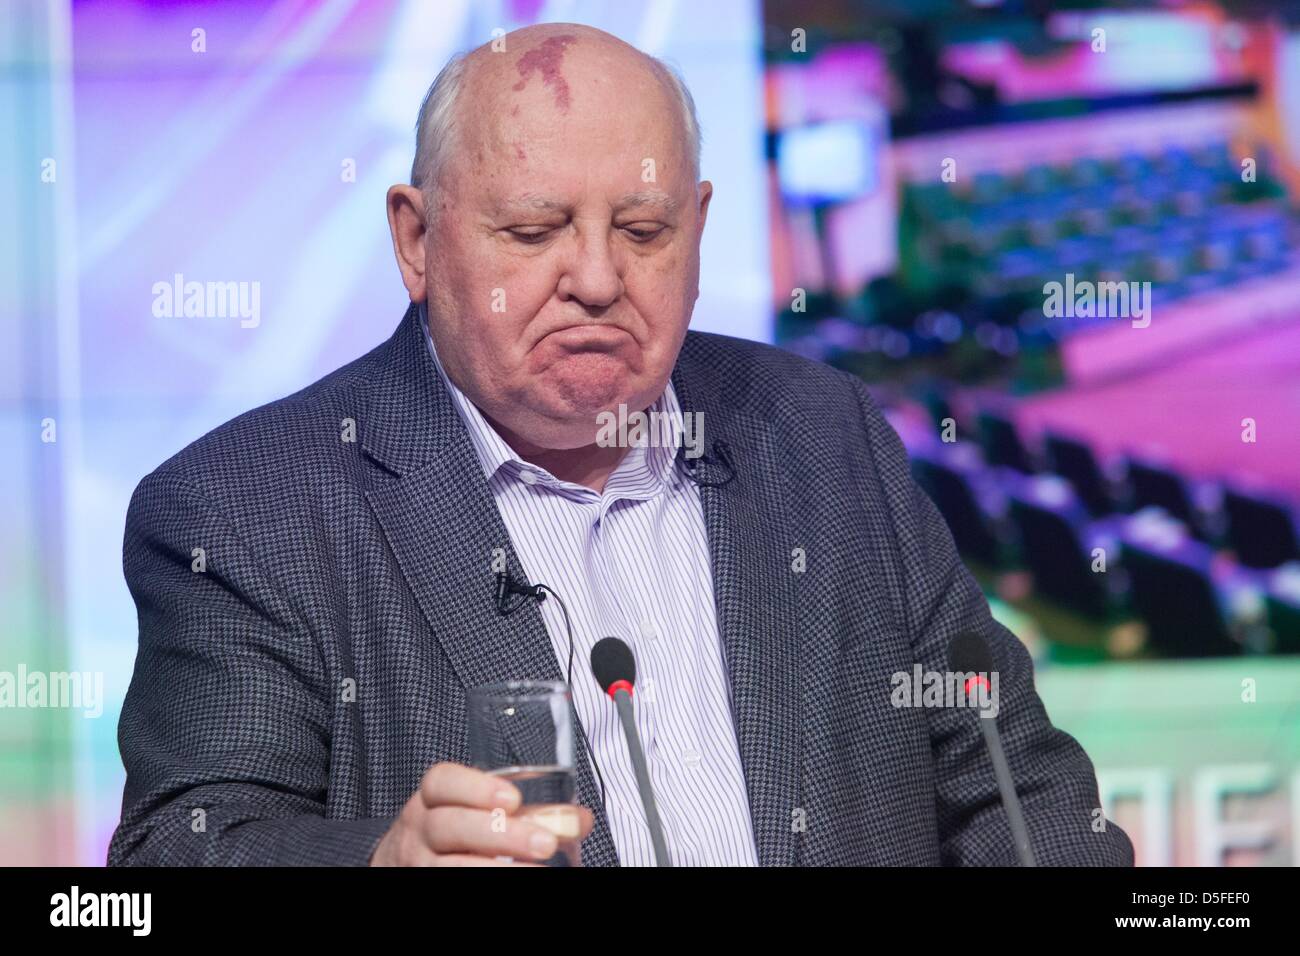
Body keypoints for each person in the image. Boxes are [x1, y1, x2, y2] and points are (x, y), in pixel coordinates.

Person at [109, 23, 1132, 867]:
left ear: (697, 229)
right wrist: (383, 859)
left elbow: (1016, 787)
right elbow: (178, 853)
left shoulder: (827, 436)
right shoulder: (243, 510)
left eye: (642, 231)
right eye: (534, 228)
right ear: (417, 240)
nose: (597, 280)